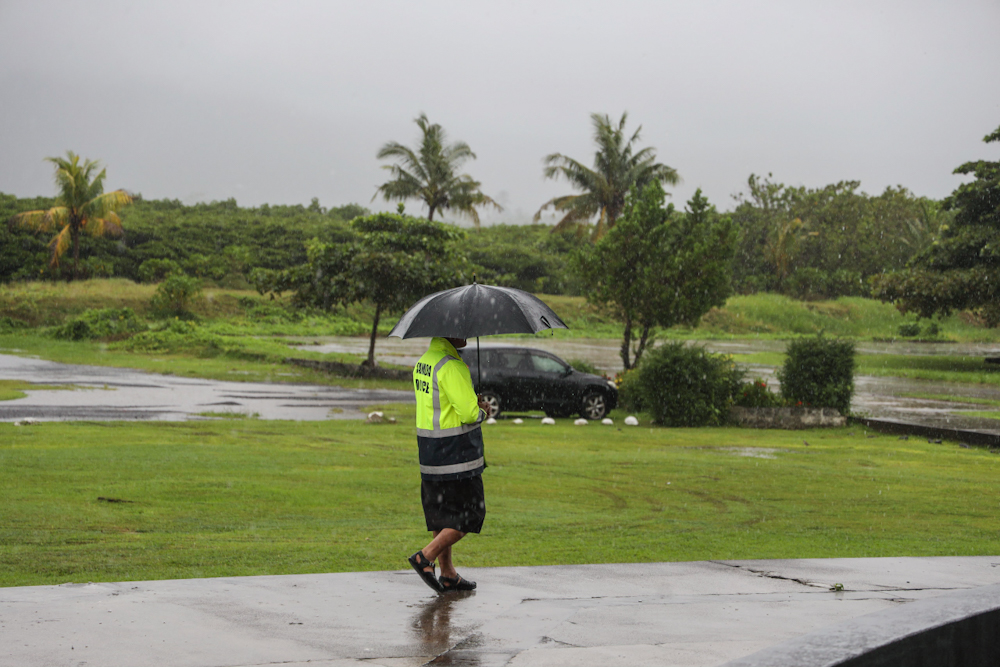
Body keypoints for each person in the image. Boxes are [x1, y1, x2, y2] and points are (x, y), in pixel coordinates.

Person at [407, 336, 491, 593]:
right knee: (471, 514)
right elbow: (468, 414)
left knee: (441, 517)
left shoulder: (425, 362)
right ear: (448, 331)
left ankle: (448, 574)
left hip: (430, 452)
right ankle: (425, 556)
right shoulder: (452, 366)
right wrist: (481, 410)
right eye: (459, 329)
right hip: (456, 455)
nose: (465, 335)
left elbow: (441, 406)